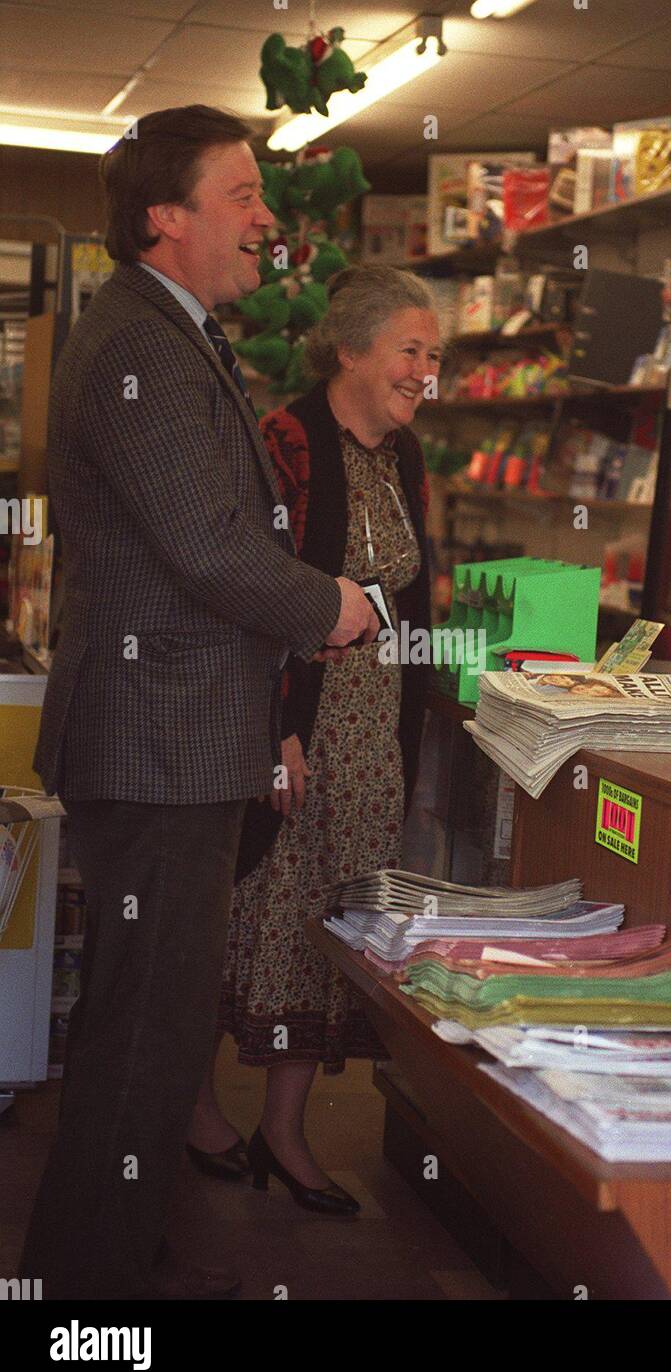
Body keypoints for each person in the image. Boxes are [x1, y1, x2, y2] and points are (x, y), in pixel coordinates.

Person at [18, 106, 377, 1301]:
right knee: (140, 1048)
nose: (265, 219)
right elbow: (207, 544)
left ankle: (110, 1259)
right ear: (165, 217)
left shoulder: (175, 333)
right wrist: (327, 603)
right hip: (157, 742)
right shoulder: (137, 340)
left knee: (153, 1042)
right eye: (242, 194)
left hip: (176, 739)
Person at [186, 267, 439, 1214]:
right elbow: (249, 591)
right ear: (350, 350)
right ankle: (195, 1104)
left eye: (435, 356)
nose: (426, 372)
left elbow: (413, 595)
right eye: (409, 351)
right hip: (299, 722)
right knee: (251, 913)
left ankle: (284, 1131)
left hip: (376, 727)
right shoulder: (284, 441)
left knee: (333, 922)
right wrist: (274, 728)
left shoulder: (405, 458)